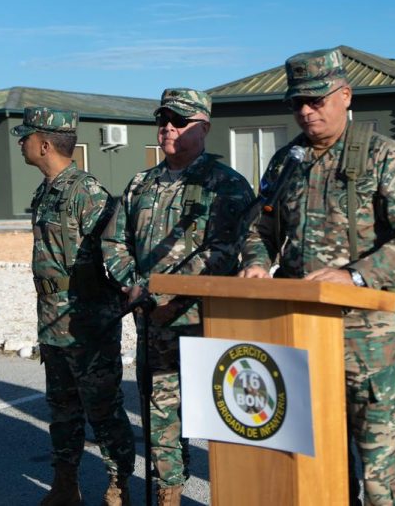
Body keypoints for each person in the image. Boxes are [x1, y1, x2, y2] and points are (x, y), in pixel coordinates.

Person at [239, 48, 395, 505]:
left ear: (345, 96)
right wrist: (255, 262)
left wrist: (357, 275)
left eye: (316, 100)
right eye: (296, 103)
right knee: (315, 465)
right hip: (299, 331)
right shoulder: (286, 162)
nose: (306, 111)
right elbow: (259, 227)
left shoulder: (383, 155)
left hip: (365, 338)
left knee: (381, 472)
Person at [101, 88, 254, 505]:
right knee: (158, 408)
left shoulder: (226, 185)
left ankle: (234, 491)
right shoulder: (141, 183)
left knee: (223, 411)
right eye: (163, 119)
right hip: (150, 319)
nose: (168, 127)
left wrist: (169, 290)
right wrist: (134, 284)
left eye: (179, 120)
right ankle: (169, 491)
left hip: (201, 319)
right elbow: (115, 241)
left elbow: (225, 251)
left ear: (204, 127)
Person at [12, 107, 135, 506]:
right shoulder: (46, 189)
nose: (20, 142)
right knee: (62, 410)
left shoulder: (87, 192)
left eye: (26, 136)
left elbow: (117, 254)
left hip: (86, 323)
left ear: (45, 144)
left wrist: (119, 307)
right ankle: (66, 484)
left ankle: (118, 485)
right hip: (52, 321)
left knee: (103, 409)